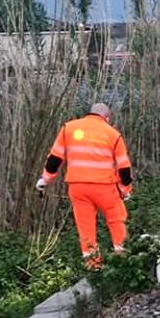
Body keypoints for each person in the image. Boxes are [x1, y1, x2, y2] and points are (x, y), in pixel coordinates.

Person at [36, 103, 133, 270]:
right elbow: (124, 167)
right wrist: (125, 190)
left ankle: (93, 267)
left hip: (78, 187)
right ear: (107, 118)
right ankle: (123, 261)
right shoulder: (113, 134)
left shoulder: (69, 128)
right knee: (117, 220)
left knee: (85, 227)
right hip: (104, 187)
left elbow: (55, 158)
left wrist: (45, 180)